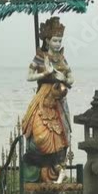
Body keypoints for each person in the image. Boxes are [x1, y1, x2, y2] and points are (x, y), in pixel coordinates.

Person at [22, 17, 74, 183]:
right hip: (43, 97)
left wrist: (63, 78)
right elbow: (29, 76)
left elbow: (71, 78)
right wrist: (44, 74)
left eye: (60, 41)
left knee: (62, 133)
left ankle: (57, 168)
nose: (57, 44)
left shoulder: (61, 59)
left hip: (59, 99)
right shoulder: (40, 57)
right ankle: (40, 169)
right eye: (55, 40)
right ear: (47, 41)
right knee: (39, 135)